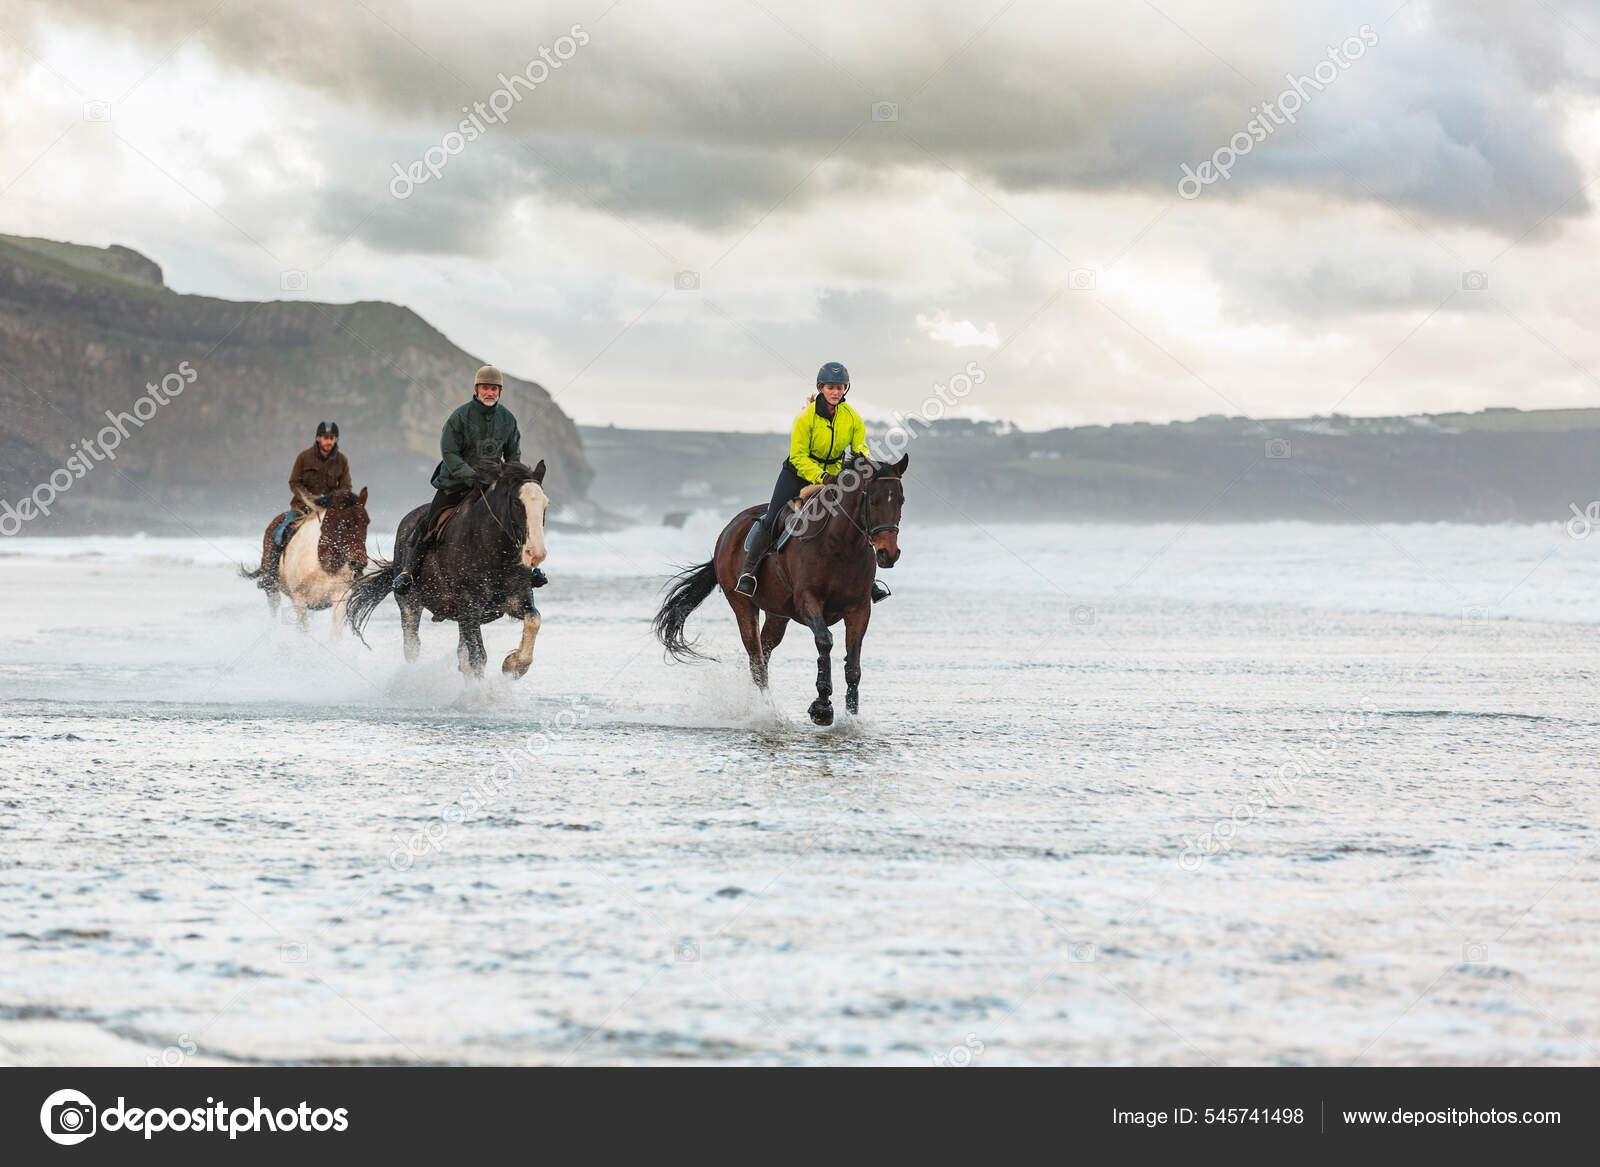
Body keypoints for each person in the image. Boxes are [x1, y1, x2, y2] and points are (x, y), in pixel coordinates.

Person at [735, 361, 890, 602]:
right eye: (831, 387)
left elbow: (860, 448)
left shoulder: (852, 418)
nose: (836, 392)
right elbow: (798, 456)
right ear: (820, 388)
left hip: (836, 475)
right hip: (797, 473)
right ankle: (748, 573)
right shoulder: (805, 418)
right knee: (774, 516)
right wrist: (821, 477)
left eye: (840, 387)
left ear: (846, 389)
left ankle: (868, 583)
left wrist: (864, 463)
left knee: (858, 518)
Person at [393, 365, 545, 594]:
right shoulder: (460, 417)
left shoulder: (507, 419)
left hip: (492, 484)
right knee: (429, 521)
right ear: (476, 389)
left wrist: (511, 479)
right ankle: (408, 571)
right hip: (456, 482)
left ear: (499, 391)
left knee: (517, 520)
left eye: (494, 389)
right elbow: (449, 452)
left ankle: (530, 570)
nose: (489, 392)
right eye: (485, 388)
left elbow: (513, 455)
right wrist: (469, 474)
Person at [259, 420, 351, 588]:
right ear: (318, 438)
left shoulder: (342, 461)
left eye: (332, 438)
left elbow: (346, 487)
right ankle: (270, 576)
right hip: (302, 509)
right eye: (325, 437)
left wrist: (332, 498)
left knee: (350, 535)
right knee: (279, 534)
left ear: (336, 439)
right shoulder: (304, 457)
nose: (328, 441)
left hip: (329, 510)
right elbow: (294, 482)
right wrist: (310, 498)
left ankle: (352, 574)